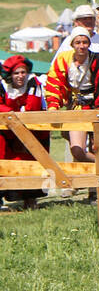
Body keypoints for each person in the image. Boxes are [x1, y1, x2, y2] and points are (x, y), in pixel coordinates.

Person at [44, 27, 99, 163]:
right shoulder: (63, 59)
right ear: (72, 44)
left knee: (98, 147)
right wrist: (53, 105)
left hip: (95, 107)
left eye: (84, 42)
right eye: (78, 42)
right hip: (76, 108)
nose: (81, 46)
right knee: (77, 150)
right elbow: (54, 82)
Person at [0, 54, 48, 209]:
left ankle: (31, 198)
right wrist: (11, 115)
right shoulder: (3, 86)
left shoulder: (33, 83)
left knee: (32, 162)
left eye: (23, 72)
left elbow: (33, 107)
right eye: (16, 73)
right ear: (10, 75)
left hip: (33, 130)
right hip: (8, 131)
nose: (20, 76)